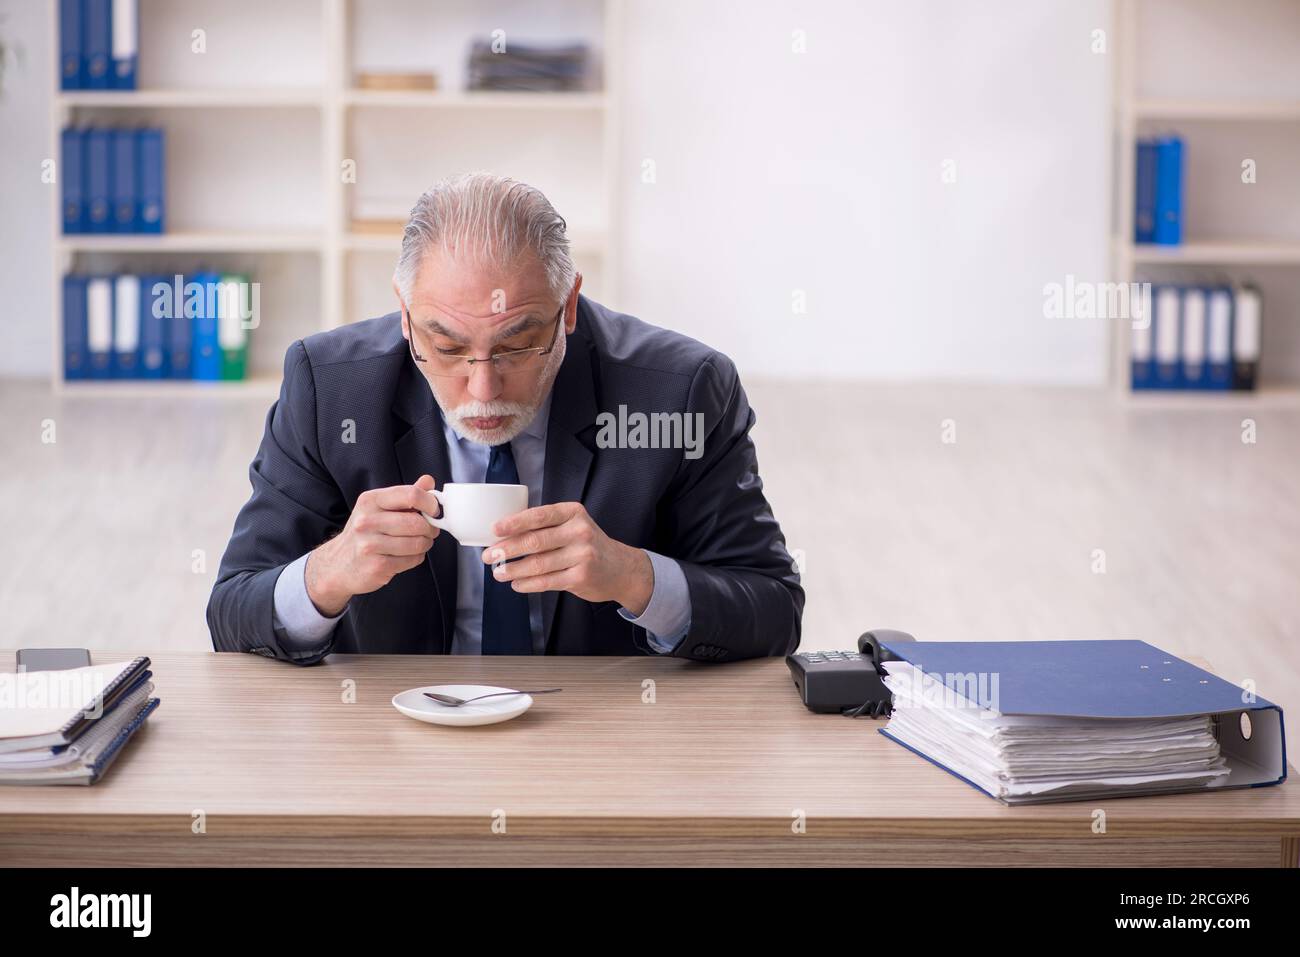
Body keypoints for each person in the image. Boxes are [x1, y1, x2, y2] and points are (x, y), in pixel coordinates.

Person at [207, 172, 802, 663]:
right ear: (406, 316)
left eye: (518, 346)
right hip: (391, 740)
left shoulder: (681, 390)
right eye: (446, 348)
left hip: (602, 740)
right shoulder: (328, 384)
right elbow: (232, 612)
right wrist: (326, 574)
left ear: (568, 305)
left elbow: (773, 609)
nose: (483, 388)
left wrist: (635, 577)